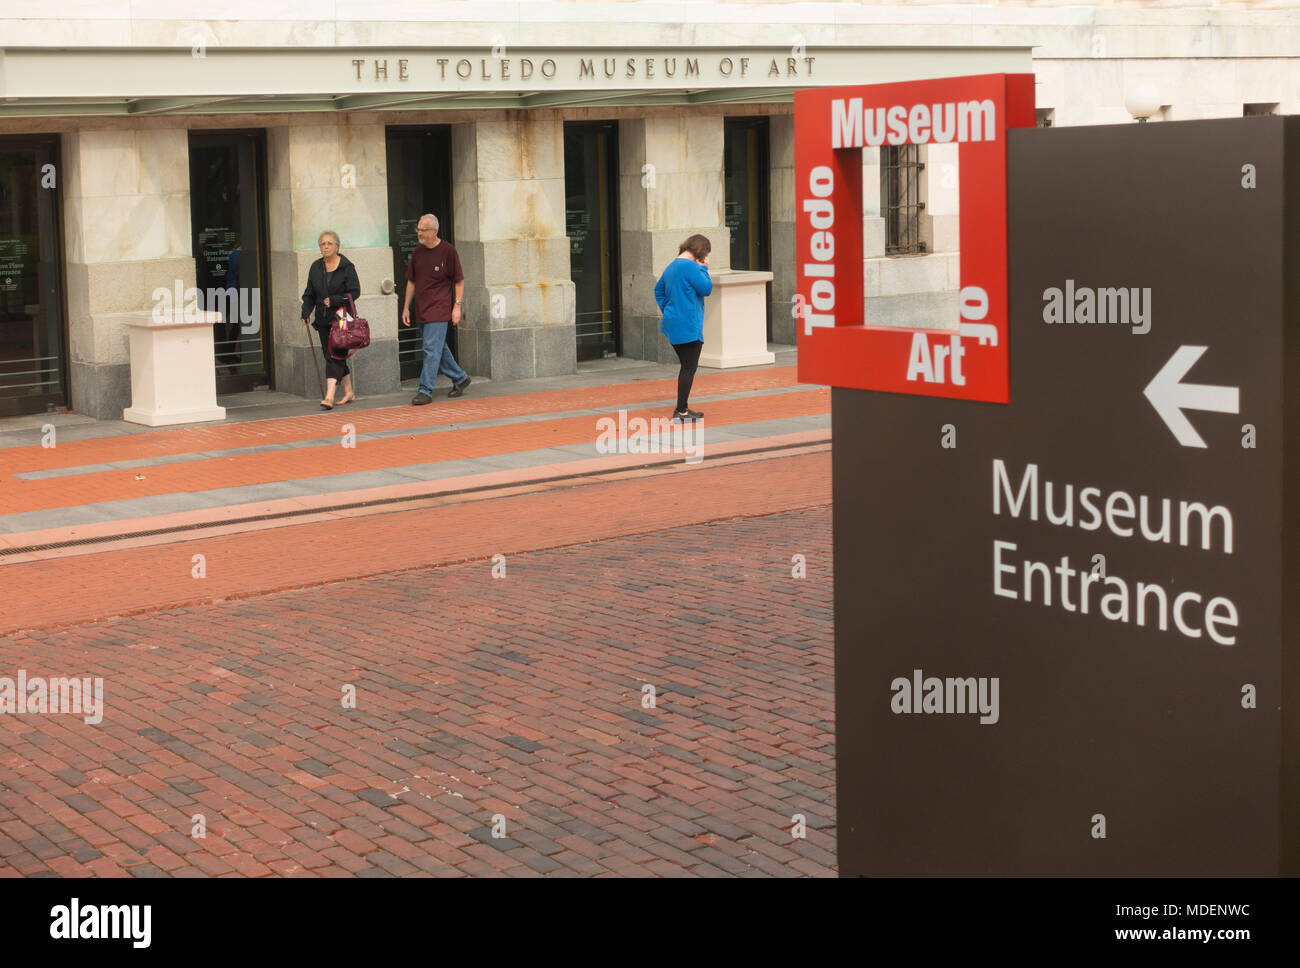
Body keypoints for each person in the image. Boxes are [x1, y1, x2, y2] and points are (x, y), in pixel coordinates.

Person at [402, 213, 470, 405]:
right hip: (421, 309)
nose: (419, 233)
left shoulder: (448, 251)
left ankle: (425, 390)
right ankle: (460, 378)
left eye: (423, 230)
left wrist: (457, 306)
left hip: (439, 309)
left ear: (435, 231)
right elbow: (411, 282)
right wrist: (406, 307)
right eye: (418, 229)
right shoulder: (417, 253)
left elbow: (459, 281)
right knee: (438, 348)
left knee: (431, 350)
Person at [300, 230, 361, 409]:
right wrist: (305, 312)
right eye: (322, 244)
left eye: (329, 243)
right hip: (323, 317)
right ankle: (349, 391)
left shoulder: (347, 267)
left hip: (341, 317)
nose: (325, 247)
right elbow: (309, 294)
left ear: (337, 246)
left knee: (335, 355)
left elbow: (355, 292)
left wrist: (334, 299)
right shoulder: (315, 267)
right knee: (331, 354)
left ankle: (329, 396)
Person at [654, 234, 712, 421]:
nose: (707, 258)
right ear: (701, 252)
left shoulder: (671, 266)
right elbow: (706, 289)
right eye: (707, 254)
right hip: (688, 323)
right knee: (689, 367)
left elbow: (658, 290)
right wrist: (704, 268)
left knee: (686, 366)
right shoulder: (691, 267)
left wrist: (668, 310)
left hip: (673, 323)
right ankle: (681, 411)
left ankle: (683, 408)